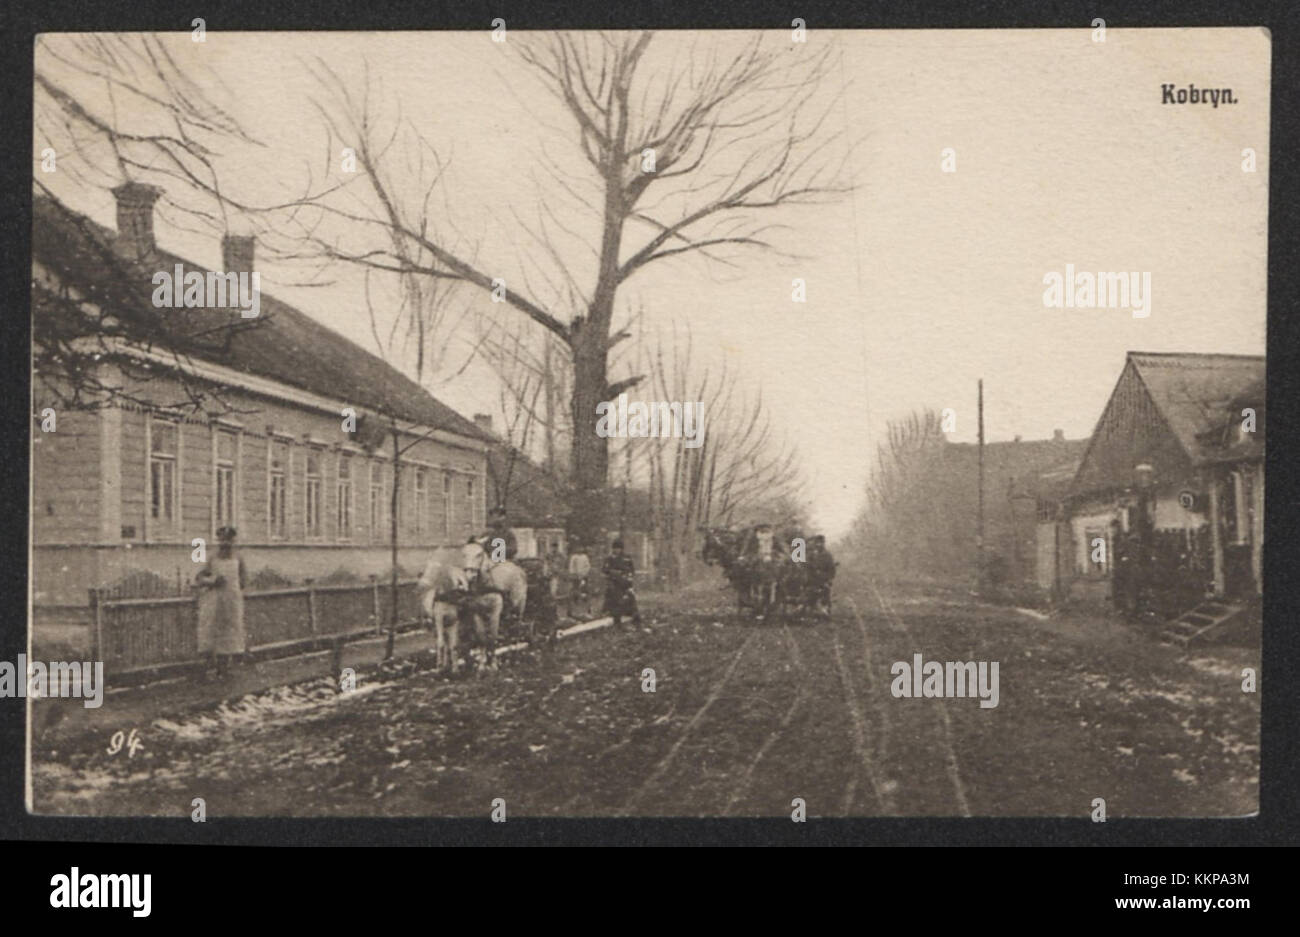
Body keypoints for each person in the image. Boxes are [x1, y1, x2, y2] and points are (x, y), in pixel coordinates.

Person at [195, 526, 247, 676]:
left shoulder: (238, 558)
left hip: (231, 600)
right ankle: (210, 665)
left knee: (229, 630)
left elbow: (243, 579)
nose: (225, 544)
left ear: (233, 541)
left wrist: (235, 590)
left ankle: (224, 666)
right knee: (212, 630)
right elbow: (199, 578)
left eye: (228, 540)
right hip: (214, 600)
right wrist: (212, 581)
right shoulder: (212, 557)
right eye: (222, 540)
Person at [602, 538, 641, 627]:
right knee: (615, 600)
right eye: (615, 548)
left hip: (625, 582)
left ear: (621, 549)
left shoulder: (626, 558)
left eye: (618, 548)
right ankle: (616, 618)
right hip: (614, 583)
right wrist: (613, 573)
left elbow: (631, 569)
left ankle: (634, 616)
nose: (616, 550)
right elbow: (605, 569)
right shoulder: (610, 558)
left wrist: (628, 577)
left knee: (629, 598)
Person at [807, 534, 837, 618]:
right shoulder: (811, 554)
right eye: (817, 543)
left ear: (823, 544)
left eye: (820, 543)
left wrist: (828, 579)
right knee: (809, 592)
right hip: (812, 578)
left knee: (825, 592)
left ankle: (825, 609)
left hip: (823, 578)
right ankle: (810, 608)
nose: (818, 545)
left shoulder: (827, 555)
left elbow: (832, 569)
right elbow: (806, 566)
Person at [567, 539, 592, 618]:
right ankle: (574, 610)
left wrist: (584, 574)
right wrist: (574, 574)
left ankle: (586, 610)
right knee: (575, 591)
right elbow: (571, 567)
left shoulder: (585, 557)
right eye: (578, 548)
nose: (579, 549)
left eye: (580, 548)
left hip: (584, 576)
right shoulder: (574, 557)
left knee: (584, 592)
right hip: (576, 577)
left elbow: (587, 566)